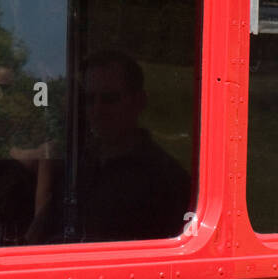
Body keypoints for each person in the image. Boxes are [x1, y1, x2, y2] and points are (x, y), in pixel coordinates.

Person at [22, 51, 191, 244]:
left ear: (138, 102)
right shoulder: (79, 165)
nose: (97, 110)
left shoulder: (166, 180)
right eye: (90, 100)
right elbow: (42, 230)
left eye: (109, 99)